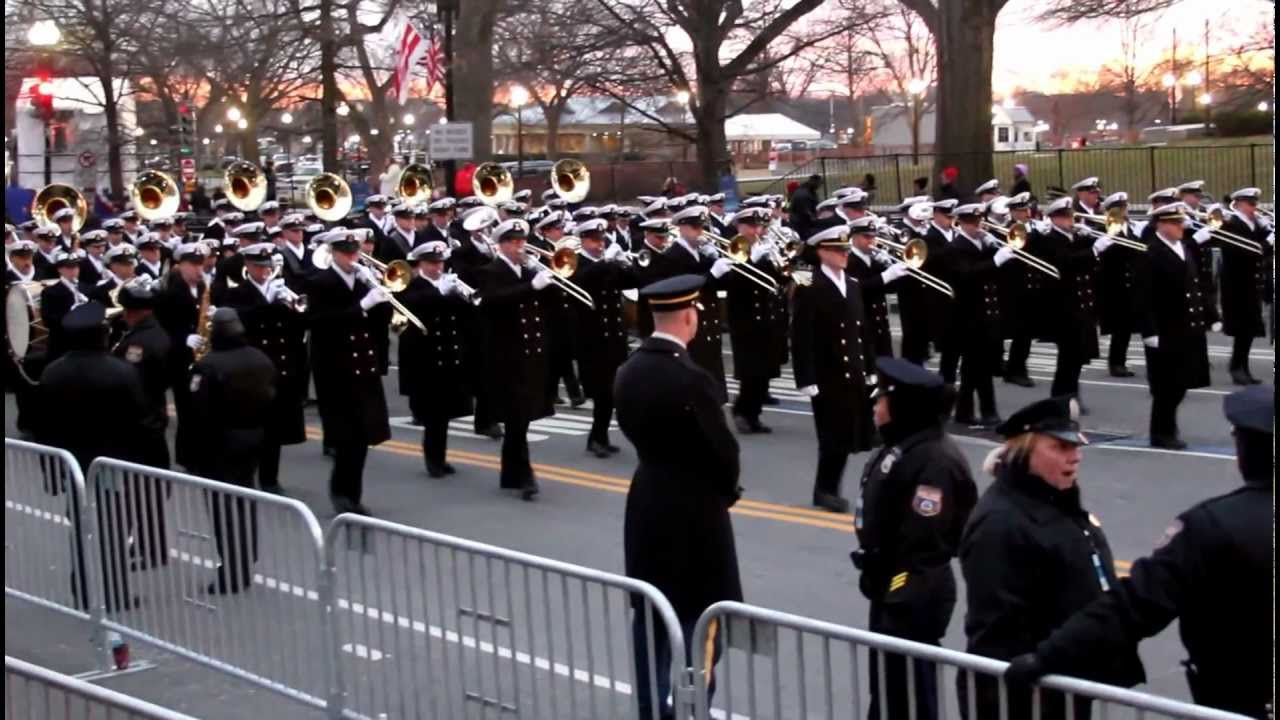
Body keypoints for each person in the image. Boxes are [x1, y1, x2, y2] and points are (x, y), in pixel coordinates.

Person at [1005, 384, 1273, 718]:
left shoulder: (1214, 525)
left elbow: (1135, 604)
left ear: (1246, 448)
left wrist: (1045, 658)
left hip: (1240, 697)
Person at [958, 396, 1144, 720]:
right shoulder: (1000, 522)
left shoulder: (1055, 500)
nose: (1075, 457)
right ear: (1026, 449)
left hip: (1064, 678)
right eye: (1059, 448)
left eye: (1075, 448)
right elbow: (1000, 630)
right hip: (1026, 692)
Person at [616, 274, 741, 720]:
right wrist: (725, 491)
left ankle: (652, 709)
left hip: (647, 498)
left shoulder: (627, 371)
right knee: (702, 623)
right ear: (689, 317)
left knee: (651, 615)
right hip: (694, 509)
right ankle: (691, 710)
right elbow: (723, 452)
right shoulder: (691, 378)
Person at [854, 358, 976, 720]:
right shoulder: (905, 445)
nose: (875, 407)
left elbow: (924, 540)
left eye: (882, 400)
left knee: (910, 695)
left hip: (913, 591)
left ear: (903, 405)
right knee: (889, 692)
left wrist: (895, 588)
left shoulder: (933, 460)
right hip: (890, 585)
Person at [34, 301, 148, 612]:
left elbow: (42, 426)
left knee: (80, 531)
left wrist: (51, 473)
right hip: (112, 464)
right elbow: (139, 419)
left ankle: (82, 591)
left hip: (73, 465)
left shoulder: (53, 373)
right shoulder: (121, 371)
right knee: (114, 533)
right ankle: (116, 592)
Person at [186, 308, 276, 594]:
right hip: (254, 436)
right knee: (245, 500)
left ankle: (233, 568)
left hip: (219, 442)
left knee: (222, 509)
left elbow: (198, 410)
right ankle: (247, 559)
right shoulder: (260, 358)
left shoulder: (208, 365)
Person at [305, 229, 392, 514]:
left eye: (355, 252)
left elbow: (379, 325)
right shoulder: (320, 282)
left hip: (364, 369)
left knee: (363, 438)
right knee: (345, 439)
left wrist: (381, 296)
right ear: (333, 253)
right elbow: (320, 322)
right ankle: (340, 493)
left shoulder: (362, 281)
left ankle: (354, 495)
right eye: (346, 253)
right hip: (337, 371)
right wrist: (362, 305)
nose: (352, 258)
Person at [791, 225, 874, 513]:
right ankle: (825, 490)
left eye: (846, 250)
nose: (844, 255)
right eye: (838, 250)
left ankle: (830, 487)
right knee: (831, 438)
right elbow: (801, 336)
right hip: (826, 374)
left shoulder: (851, 284)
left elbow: (861, 330)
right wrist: (806, 377)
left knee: (848, 434)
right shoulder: (809, 285)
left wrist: (871, 366)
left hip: (852, 369)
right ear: (822, 252)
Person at [475, 219, 557, 500]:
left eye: (522, 241)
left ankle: (510, 474)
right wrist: (532, 286)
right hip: (506, 357)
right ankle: (525, 476)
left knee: (519, 421)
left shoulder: (527, 271)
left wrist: (549, 281)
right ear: (501, 244)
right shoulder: (490, 271)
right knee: (517, 420)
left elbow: (545, 307)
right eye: (514, 241)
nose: (520, 246)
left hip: (530, 355)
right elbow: (493, 301)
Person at [221, 243, 308, 494]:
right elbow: (240, 321)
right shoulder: (237, 293)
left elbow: (297, 327)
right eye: (259, 267)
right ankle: (247, 476)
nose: (264, 272)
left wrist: (291, 308)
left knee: (275, 430)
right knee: (252, 429)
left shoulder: (281, 291)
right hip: (251, 371)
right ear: (247, 266)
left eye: (267, 267)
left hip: (279, 368)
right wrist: (268, 303)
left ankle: (270, 478)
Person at [1133, 203, 1211, 450]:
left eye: (1181, 222)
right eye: (1176, 223)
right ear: (1161, 224)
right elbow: (1143, 296)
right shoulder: (1150, 253)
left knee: (1180, 384)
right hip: (1165, 329)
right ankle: (1161, 432)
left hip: (1187, 327)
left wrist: (1210, 313)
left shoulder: (1183, 248)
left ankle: (1169, 427)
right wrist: (1149, 331)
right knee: (1166, 386)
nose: (1181, 227)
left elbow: (1195, 285)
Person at [396, 241, 476, 476]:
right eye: (432, 263)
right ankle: (433, 460)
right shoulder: (411, 286)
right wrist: (440, 291)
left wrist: (461, 294)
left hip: (449, 359)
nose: (437, 267)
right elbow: (415, 304)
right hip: (426, 361)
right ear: (420, 264)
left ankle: (440, 458)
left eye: (440, 262)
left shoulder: (447, 286)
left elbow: (466, 313)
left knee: (444, 416)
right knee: (433, 417)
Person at [567, 219, 639, 456]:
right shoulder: (575, 263)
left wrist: (626, 264)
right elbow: (581, 282)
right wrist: (607, 260)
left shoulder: (608, 263)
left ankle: (599, 437)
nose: (599, 244)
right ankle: (597, 438)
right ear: (584, 240)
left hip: (615, 337)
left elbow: (634, 282)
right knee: (601, 393)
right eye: (595, 240)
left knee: (614, 392)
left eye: (602, 240)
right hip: (592, 339)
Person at [649, 206, 733, 402]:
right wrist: (713, 273)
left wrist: (718, 262)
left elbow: (718, 285)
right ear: (681, 228)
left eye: (702, 227)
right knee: (698, 389)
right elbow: (687, 288)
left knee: (713, 385)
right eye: (695, 227)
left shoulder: (700, 254)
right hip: (691, 328)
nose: (700, 232)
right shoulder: (672, 256)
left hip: (708, 326)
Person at [1034, 197, 1106, 407]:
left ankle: (1071, 395)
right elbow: (1066, 261)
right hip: (1063, 309)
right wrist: (1094, 249)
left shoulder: (1075, 238)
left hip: (1081, 307)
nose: (1069, 220)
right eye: (1064, 217)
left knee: (1077, 358)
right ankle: (1061, 398)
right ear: (1054, 219)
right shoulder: (1049, 240)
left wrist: (1091, 239)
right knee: (1067, 359)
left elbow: (1088, 261)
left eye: (1070, 216)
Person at [949, 204, 1016, 425]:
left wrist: (1004, 252)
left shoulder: (984, 244)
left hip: (988, 314)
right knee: (978, 366)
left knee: (974, 367)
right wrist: (996, 260)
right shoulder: (957, 246)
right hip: (969, 316)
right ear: (962, 223)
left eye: (979, 222)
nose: (978, 226)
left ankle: (964, 411)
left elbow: (998, 275)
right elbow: (965, 274)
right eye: (973, 223)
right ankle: (988, 411)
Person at [724, 207, 785, 434]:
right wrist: (755, 259)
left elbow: (776, 280)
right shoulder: (733, 246)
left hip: (766, 315)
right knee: (750, 370)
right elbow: (734, 282)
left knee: (765, 369)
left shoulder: (762, 246)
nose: (756, 231)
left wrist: (780, 261)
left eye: (759, 226)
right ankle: (741, 411)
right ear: (740, 226)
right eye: (751, 226)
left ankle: (755, 414)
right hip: (744, 317)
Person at [1212, 187, 1273, 385]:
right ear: (1237, 203)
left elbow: (1261, 251)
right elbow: (1248, 252)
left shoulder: (1253, 223)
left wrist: (1267, 230)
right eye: (1251, 204)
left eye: (1256, 203)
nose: (1255, 208)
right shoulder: (1231, 223)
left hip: (1251, 284)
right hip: (1237, 286)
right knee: (1242, 330)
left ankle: (1242, 367)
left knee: (1249, 331)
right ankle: (1237, 368)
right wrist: (1269, 240)